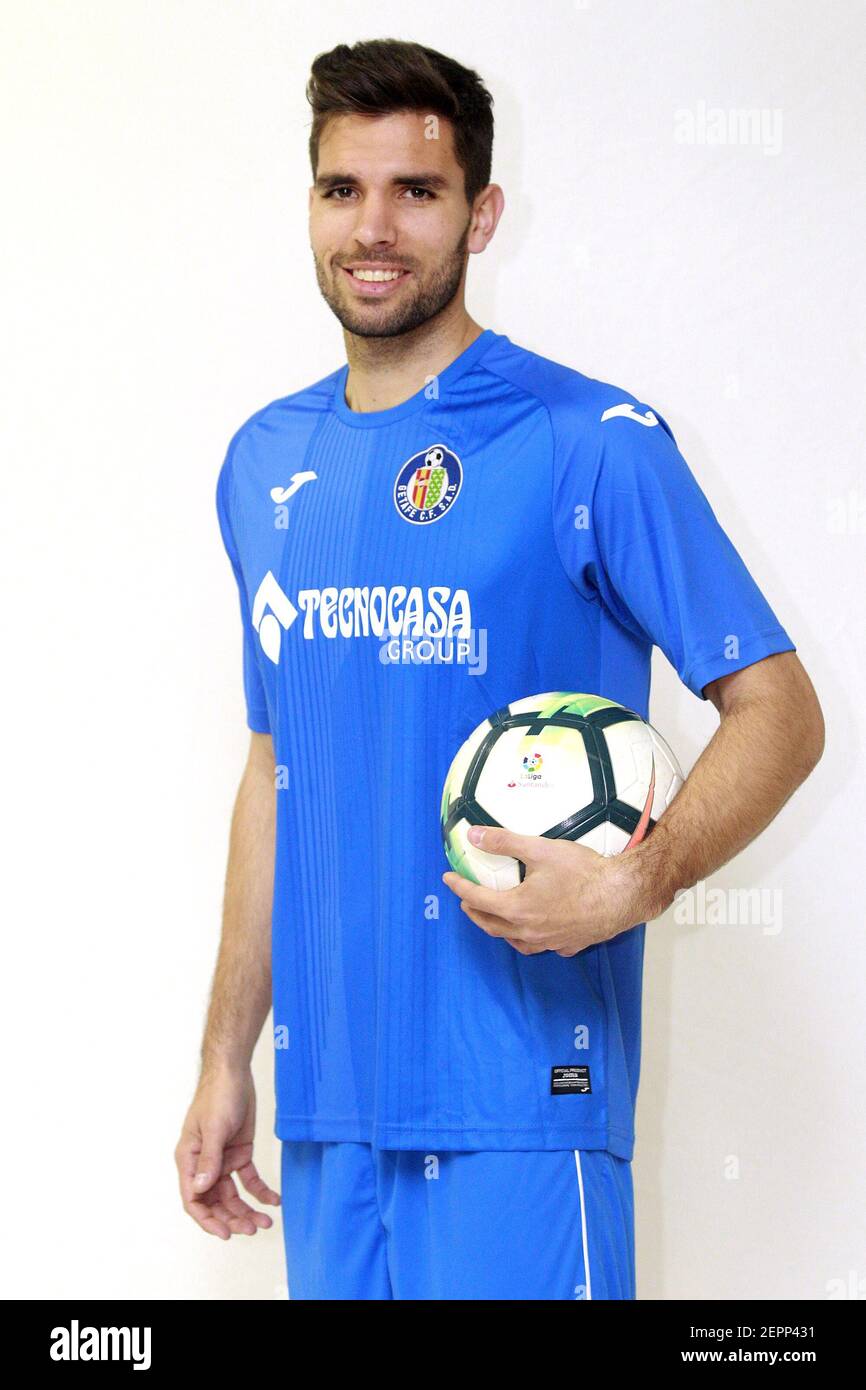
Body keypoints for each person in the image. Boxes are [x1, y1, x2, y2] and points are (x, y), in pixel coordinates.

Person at [175, 38, 824, 1300]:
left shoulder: (587, 441)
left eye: (414, 191)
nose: (373, 226)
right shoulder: (264, 463)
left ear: (481, 214)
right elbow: (274, 776)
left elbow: (780, 711)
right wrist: (224, 1058)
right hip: (329, 1113)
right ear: (308, 205)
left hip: (522, 1096)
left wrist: (638, 878)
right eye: (340, 188)